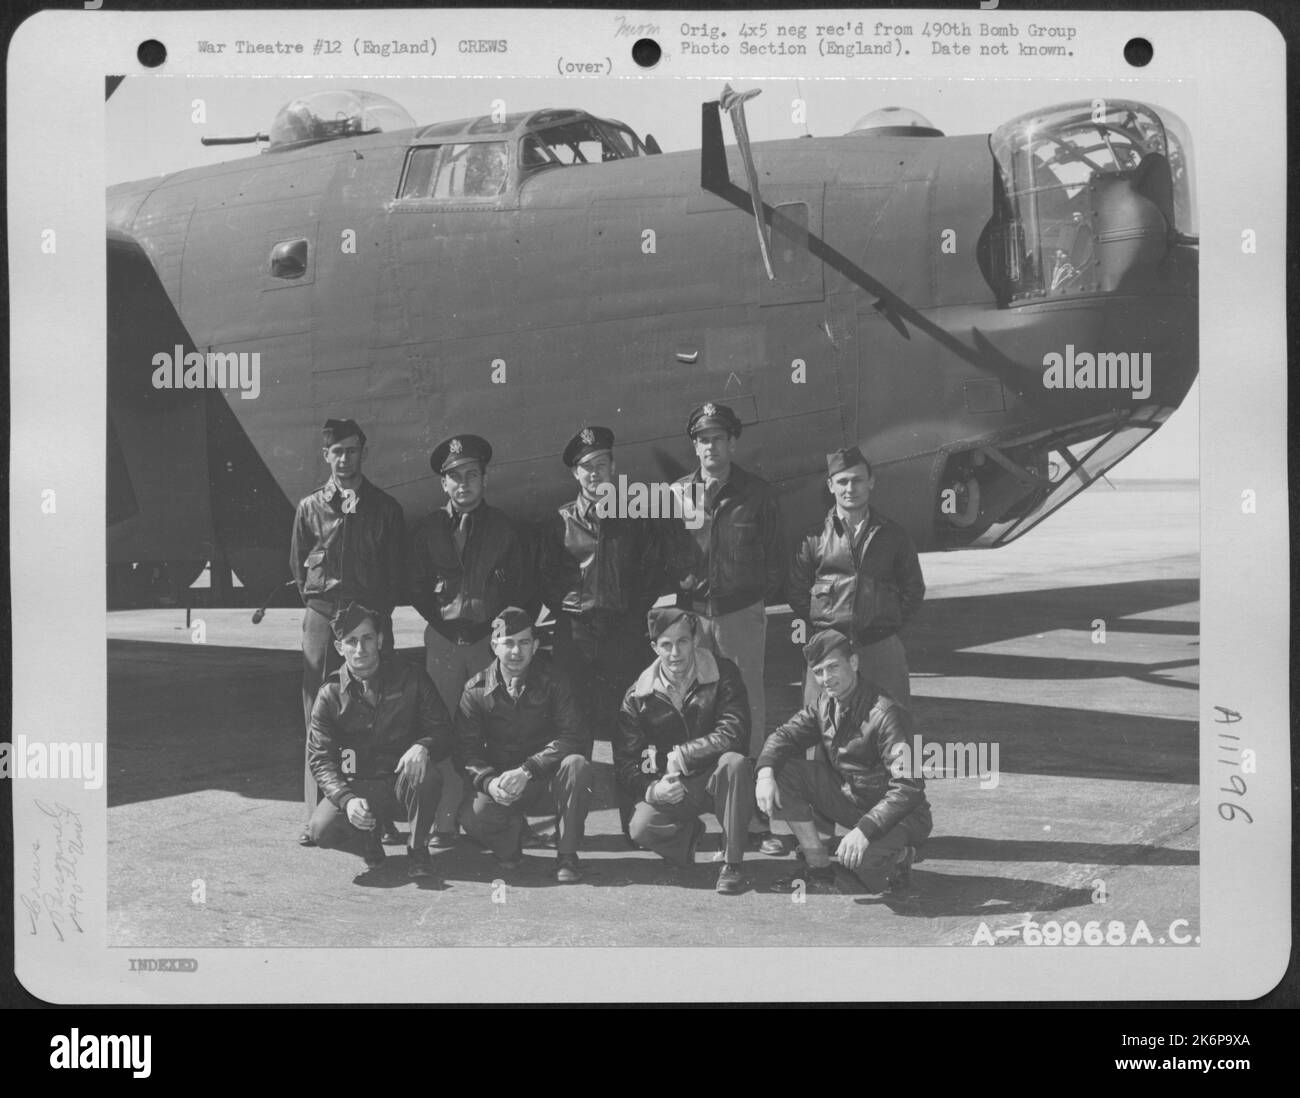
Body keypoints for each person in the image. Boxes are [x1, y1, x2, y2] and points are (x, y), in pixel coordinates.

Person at [670, 401, 785, 855]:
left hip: (740, 615)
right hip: (694, 617)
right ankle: (692, 812)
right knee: (694, 705)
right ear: (694, 445)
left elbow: (776, 558)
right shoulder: (677, 494)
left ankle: (755, 817)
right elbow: (668, 553)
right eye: (703, 439)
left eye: (719, 437)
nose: (710, 446)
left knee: (748, 705)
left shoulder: (757, 493)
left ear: (732, 442)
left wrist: (748, 598)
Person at [539, 426, 665, 836]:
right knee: (575, 734)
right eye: (586, 468)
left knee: (629, 732)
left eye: (600, 465)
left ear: (614, 468)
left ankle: (633, 821)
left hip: (624, 637)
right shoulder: (559, 521)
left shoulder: (637, 518)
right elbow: (546, 577)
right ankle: (571, 832)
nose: (594, 474)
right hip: (575, 638)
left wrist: (628, 613)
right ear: (575, 474)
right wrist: (575, 606)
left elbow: (652, 573)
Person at [407, 434, 527, 849]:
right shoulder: (429, 529)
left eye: (471, 475)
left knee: (489, 727)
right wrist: (441, 621)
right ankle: (443, 821)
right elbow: (416, 584)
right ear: (443, 484)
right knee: (440, 727)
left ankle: (488, 818)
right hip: (443, 641)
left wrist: (497, 631)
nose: (464, 484)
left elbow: (521, 589)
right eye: (454, 477)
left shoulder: (504, 529)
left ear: (484, 479)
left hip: (485, 642)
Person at [291, 419, 405, 845]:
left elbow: (396, 573)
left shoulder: (385, 509)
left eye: (352, 450)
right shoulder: (308, 508)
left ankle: (381, 810)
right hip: (323, 614)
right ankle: (315, 814)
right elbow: (299, 567)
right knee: (318, 714)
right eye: (337, 451)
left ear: (363, 453)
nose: (344, 459)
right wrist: (325, 613)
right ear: (326, 456)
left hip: (369, 616)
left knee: (377, 713)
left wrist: (372, 621)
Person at [755, 628, 931, 894]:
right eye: (818, 672)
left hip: (902, 815)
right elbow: (784, 736)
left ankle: (901, 856)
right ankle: (818, 868)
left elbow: (908, 786)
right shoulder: (825, 704)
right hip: (854, 800)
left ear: (854, 662)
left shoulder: (886, 713)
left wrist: (864, 830)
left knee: (865, 869)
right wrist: (765, 774)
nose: (826, 679)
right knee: (783, 772)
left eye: (832, 667)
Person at [306, 602, 454, 881]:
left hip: (401, 782)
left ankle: (418, 846)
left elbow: (443, 730)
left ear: (380, 640)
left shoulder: (411, 677)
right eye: (351, 641)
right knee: (320, 830)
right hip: (358, 784)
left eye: (367, 638)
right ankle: (368, 840)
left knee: (427, 775)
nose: (360, 649)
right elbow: (320, 759)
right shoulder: (330, 694)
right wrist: (347, 801)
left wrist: (424, 745)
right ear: (340, 648)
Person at [614, 608, 755, 895]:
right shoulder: (636, 696)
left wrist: (683, 755)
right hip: (675, 786)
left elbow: (735, 733)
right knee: (641, 829)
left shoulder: (723, 673)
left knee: (735, 763)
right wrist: (653, 789)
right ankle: (688, 837)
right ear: (655, 648)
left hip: (718, 775)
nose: (675, 653)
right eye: (666, 645)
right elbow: (627, 763)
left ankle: (732, 863)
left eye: (683, 642)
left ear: (695, 641)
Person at [457, 608, 593, 883]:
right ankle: (513, 843)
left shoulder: (555, 680)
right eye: (508, 642)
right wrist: (489, 782)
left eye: (524, 643)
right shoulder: (475, 690)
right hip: (504, 782)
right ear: (494, 646)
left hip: (546, 777)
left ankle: (567, 855)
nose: (516, 651)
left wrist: (529, 769)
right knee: (473, 817)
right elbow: (465, 751)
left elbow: (573, 735)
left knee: (577, 765)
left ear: (536, 646)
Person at [789, 446, 925, 708]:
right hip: (829, 648)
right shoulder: (813, 538)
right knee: (818, 729)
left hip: (880, 647)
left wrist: (886, 625)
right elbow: (796, 590)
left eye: (857, 480)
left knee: (892, 727)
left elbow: (914, 589)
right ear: (830, 486)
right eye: (842, 481)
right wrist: (827, 626)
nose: (850, 488)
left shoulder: (893, 535)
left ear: (871, 482)